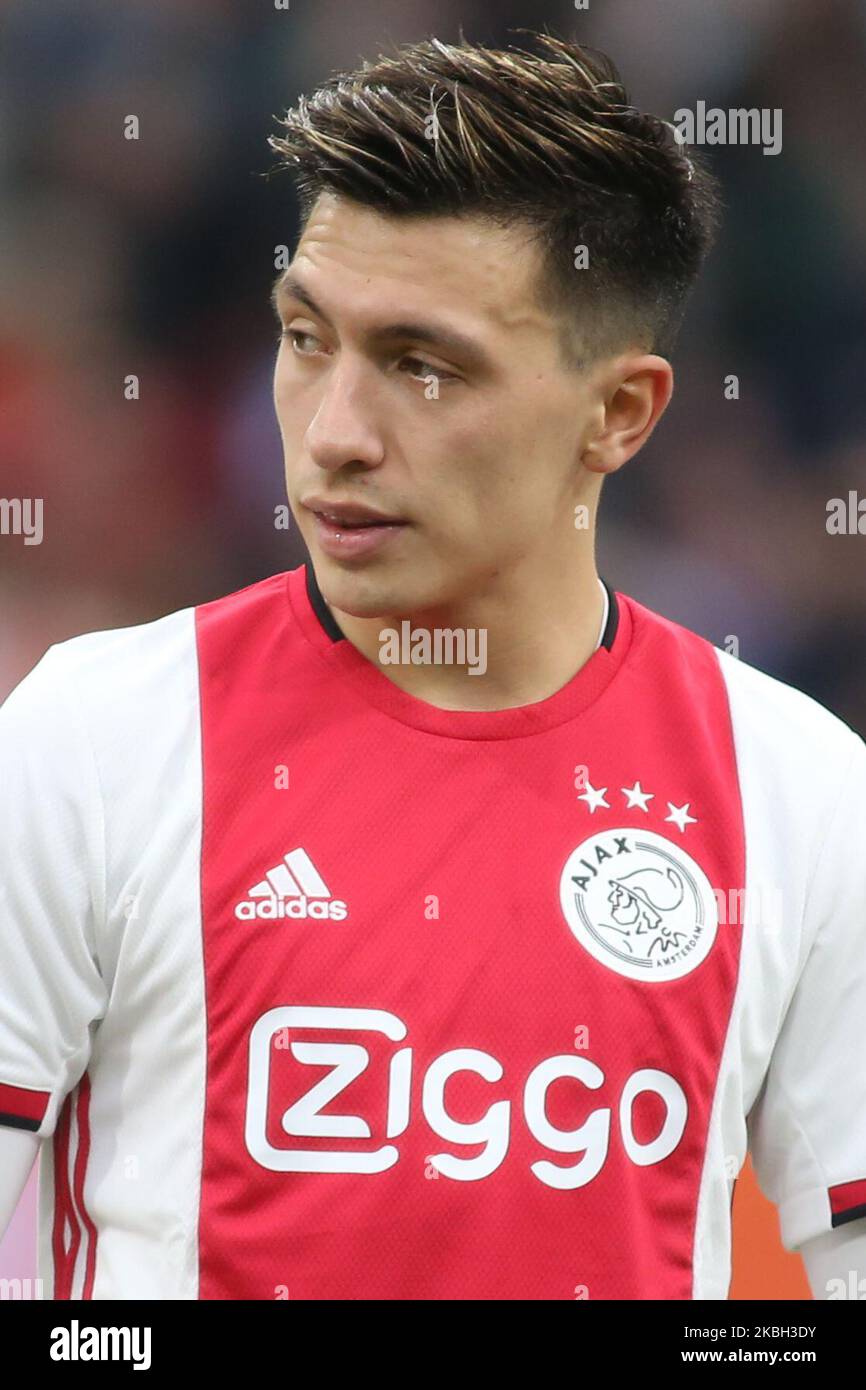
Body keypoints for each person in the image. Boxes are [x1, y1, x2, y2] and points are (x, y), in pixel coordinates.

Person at [1, 32, 864, 1300]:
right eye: (305, 339)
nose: (334, 434)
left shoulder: (801, 790)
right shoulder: (95, 738)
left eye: (422, 365)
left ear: (618, 413)